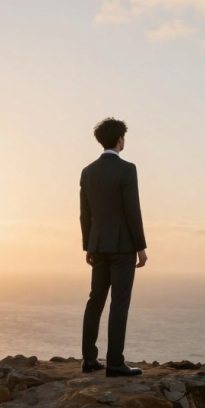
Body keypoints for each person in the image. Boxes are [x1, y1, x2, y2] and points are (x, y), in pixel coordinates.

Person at [79, 117, 148, 377]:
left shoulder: (87, 171)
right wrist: (140, 246)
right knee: (119, 303)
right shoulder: (127, 169)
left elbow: (84, 214)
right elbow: (133, 210)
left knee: (95, 300)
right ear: (120, 140)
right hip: (123, 247)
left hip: (98, 244)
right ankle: (115, 363)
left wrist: (88, 245)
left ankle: (88, 360)